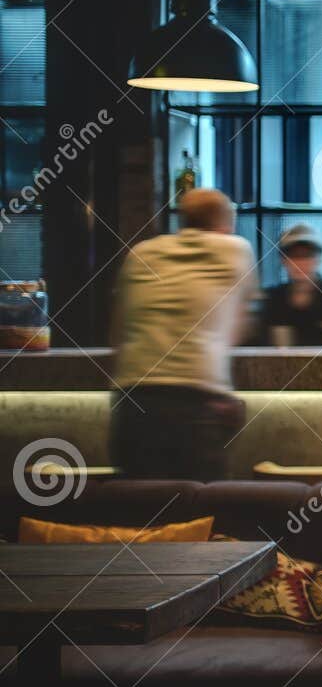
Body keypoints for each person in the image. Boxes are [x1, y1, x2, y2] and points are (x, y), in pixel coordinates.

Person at [109, 189, 256, 481]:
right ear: (225, 225)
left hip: (133, 404)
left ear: (181, 221)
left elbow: (118, 333)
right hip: (195, 404)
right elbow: (239, 325)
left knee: (139, 514)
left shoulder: (140, 254)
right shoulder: (234, 250)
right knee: (201, 512)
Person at [256, 224, 322, 347]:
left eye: (307, 255)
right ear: (283, 260)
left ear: (318, 259)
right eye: (294, 256)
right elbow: (268, 344)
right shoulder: (273, 298)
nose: (300, 263)